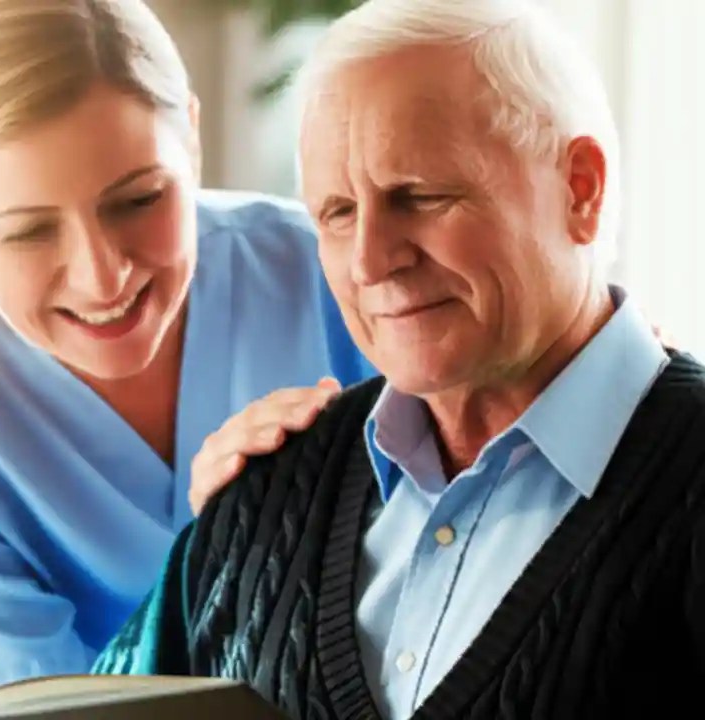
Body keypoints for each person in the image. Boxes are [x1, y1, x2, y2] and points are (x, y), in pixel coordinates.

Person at [93, 1, 705, 718]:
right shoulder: (260, 488)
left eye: (420, 197)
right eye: (337, 213)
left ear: (580, 189)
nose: (371, 262)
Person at [0, 0, 377, 710]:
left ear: (191, 133)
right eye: (29, 233)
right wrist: (232, 557)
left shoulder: (345, 279)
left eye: (138, 200)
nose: (104, 277)